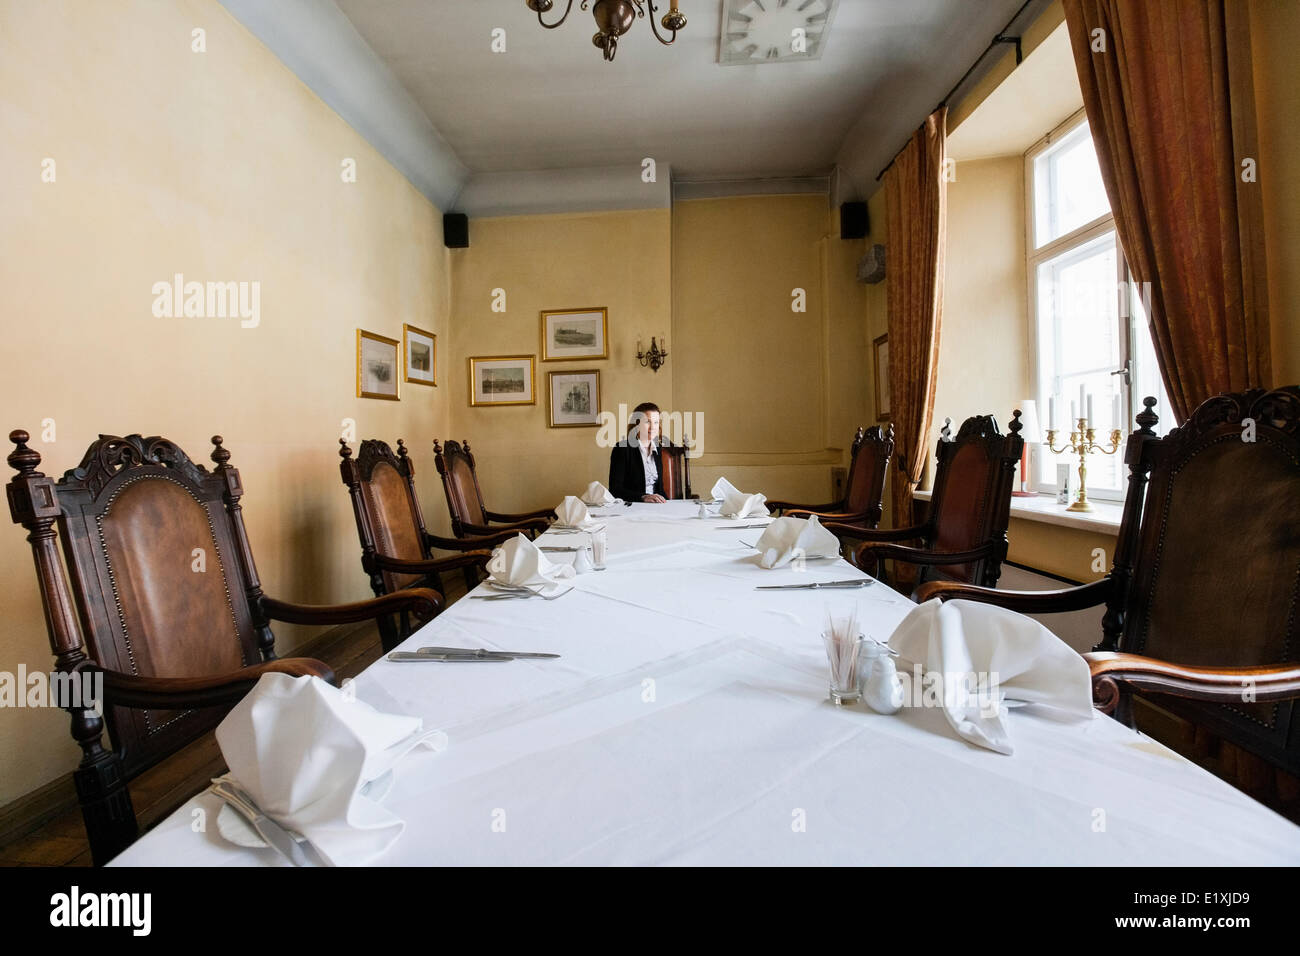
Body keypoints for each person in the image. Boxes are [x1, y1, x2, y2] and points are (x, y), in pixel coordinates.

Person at [609, 402, 667, 503]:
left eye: (656, 422)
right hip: (633, 507)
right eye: (648, 422)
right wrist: (643, 497)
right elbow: (615, 490)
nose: (653, 427)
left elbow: (660, 490)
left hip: (656, 507)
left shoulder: (657, 449)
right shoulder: (622, 448)